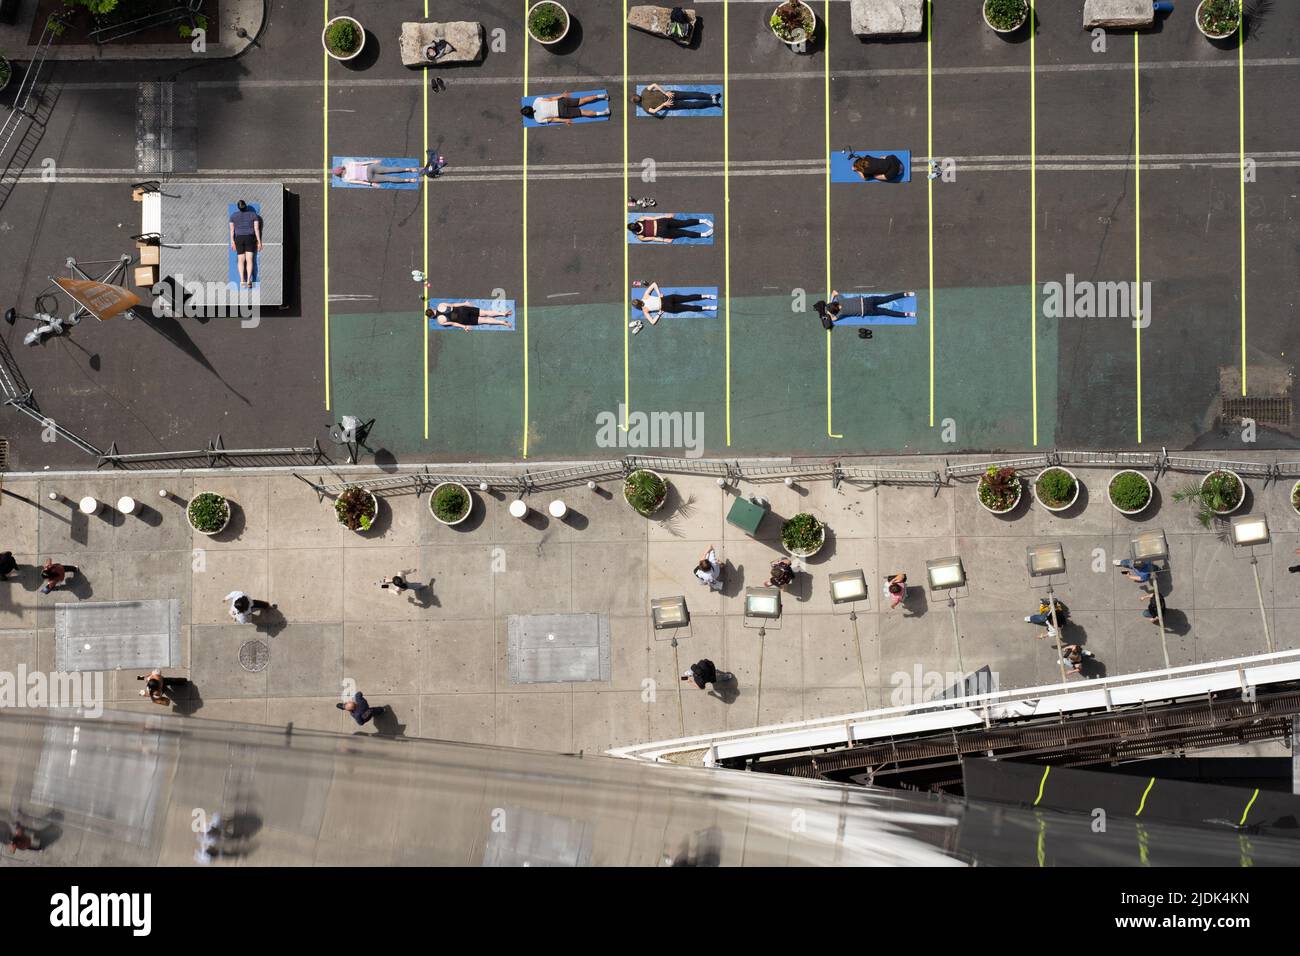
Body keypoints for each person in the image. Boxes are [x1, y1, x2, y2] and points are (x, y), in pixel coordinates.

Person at [813, 291, 917, 329]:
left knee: (887, 312)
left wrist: (829, 314)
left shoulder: (841, 313)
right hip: (868, 301)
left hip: (867, 310)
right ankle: (905, 294)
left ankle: (908, 314)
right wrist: (831, 301)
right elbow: (834, 292)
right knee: (887, 298)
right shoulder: (841, 300)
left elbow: (834, 319)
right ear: (835, 303)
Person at [631, 282, 717, 324]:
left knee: (688, 307)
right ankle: (706, 296)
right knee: (688, 298)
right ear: (639, 300)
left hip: (667, 308)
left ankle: (707, 307)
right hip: (667, 299)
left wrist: (659, 314)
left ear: (637, 306)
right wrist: (659, 294)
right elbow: (653, 284)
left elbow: (652, 322)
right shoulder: (645, 296)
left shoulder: (645, 310)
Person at [228, 199, 262, 290]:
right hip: (249, 238)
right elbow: (256, 229)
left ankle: (242, 280)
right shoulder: (253, 215)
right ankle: (249, 280)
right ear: (246, 206)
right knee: (250, 259)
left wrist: (232, 242)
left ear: (238, 208)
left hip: (239, 239)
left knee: (240, 260)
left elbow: (232, 230)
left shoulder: (233, 216)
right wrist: (259, 241)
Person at [520, 91, 610, 125]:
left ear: (529, 115)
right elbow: (550, 99)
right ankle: (602, 96)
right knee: (582, 100)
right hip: (561, 102)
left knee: (583, 112)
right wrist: (562, 95)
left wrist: (565, 120)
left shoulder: (538, 119)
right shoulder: (536, 101)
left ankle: (604, 113)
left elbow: (553, 119)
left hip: (562, 112)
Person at [633, 83, 720, 115]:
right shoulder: (644, 92)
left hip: (669, 103)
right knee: (691, 94)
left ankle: (713, 103)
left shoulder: (645, 107)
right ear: (638, 95)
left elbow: (654, 111)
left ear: (638, 103)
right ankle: (712, 96)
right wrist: (665, 92)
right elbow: (654, 85)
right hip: (670, 95)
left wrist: (663, 104)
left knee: (691, 105)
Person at [332, 159, 427, 187]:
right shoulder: (349, 164)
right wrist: (373, 161)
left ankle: (409, 180)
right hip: (369, 168)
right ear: (341, 168)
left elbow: (359, 182)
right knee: (390, 169)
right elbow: (361, 163)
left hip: (369, 177)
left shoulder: (346, 179)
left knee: (388, 179)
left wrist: (371, 184)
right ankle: (409, 169)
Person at [426, 300, 512, 330]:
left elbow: (453, 324)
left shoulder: (440, 321)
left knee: (485, 320)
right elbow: (454, 305)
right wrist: (465, 303)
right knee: (486, 312)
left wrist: (464, 327)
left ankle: (502, 322)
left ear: (432, 316)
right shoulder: (440, 305)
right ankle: (502, 313)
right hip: (463, 310)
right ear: (433, 310)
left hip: (463, 319)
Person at [628, 215, 713, 243]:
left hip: (662, 231)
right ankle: (704, 221)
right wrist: (665, 216)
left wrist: (665, 240)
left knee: (684, 233)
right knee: (685, 223)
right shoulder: (641, 218)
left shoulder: (640, 236)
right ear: (635, 223)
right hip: (662, 223)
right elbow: (654, 218)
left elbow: (653, 238)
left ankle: (704, 235)